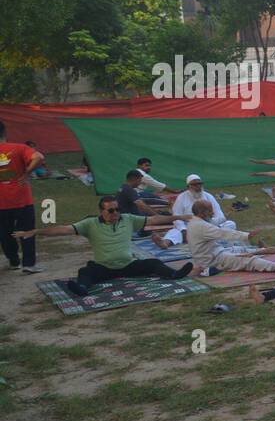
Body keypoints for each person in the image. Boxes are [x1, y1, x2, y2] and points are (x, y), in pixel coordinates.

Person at [14, 196, 193, 296]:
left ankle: (174, 274)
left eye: (117, 209)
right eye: (111, 210)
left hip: (128, 265)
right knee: (85, 272)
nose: (115, 213)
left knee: (153, 263)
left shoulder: (128, 219)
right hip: (105, 268)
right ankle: (82, 289)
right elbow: (63, 230)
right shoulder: (90, 224)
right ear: (102, 211)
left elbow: (154, 219)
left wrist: (178, 218)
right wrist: (36, 231)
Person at [184, 200, 275, 275]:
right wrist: (246, 235)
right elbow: (223, 233)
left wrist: (228, 213)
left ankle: (271, 250)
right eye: (210, 211)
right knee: (246, 258)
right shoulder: (200, 226)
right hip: (212, 261)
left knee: (247, 250)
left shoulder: (199, 220)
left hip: (216, 252)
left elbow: (215, 221)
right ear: (202, 213)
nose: (212, 213)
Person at [0, 119, 43, 273]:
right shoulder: (19, 148)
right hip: (22, 199)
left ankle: (13, 261)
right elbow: (39, 157)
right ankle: (29, 264)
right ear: (5, 132)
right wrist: (26, 173)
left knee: (5, 233)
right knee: (27, 230)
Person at [164, 174, 238, 246]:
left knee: (230, 224)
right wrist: (183, 230)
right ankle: (165, 243)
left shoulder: (208, 196)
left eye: (199, 184)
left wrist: (211, 223)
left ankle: (210, 239)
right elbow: (176, 216)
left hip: (208, 226)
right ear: (188, 186)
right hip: (189, 228)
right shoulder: (181, 198)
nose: (198, 186)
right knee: (175, 232)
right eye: (194, 184)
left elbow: (220, 216)